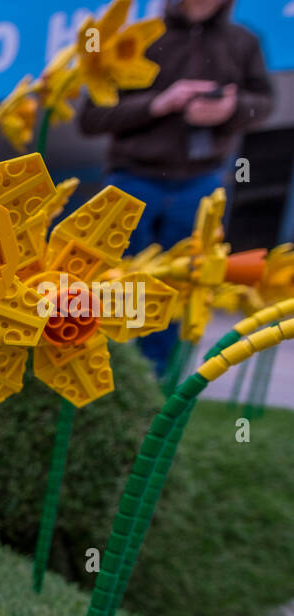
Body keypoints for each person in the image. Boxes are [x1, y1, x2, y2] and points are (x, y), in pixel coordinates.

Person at [78, 0, 273, 374]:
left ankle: (153, 384)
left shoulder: (243, 41)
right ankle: (96, 373)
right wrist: (160, 104)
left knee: (179, 291)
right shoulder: (137, 39)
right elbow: (90, 119)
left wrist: (229, 110)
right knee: (108, 286)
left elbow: (264, 103)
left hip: (200, 185)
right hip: (131, 180)